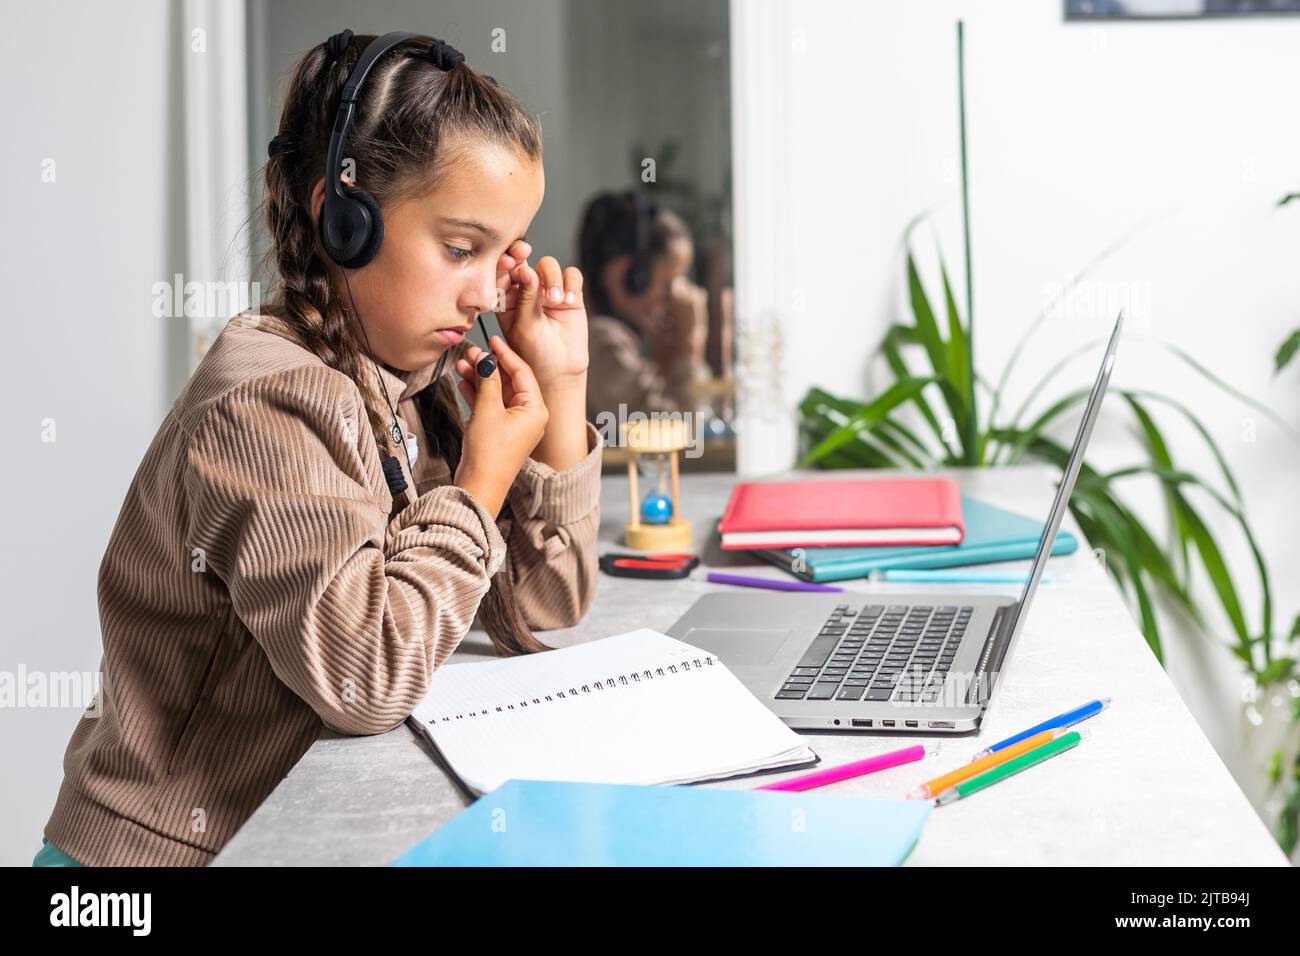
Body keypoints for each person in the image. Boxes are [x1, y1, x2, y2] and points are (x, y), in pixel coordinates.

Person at [36, 31, 600, 866]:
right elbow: (367, 675)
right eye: (458, 248)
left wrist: (562, 387)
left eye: (501, 253)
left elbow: (546, 601)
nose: (486, 292)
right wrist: (479, 486)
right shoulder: (267, 400)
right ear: (342, 218)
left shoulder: (406, 385)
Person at [578, 190, 716, 424]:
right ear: (628, 276)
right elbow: (683, 432)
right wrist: (690, 346)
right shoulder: (601, 341)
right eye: (670, 282)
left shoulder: (618, 339)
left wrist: (669, 365)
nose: (674, 298)